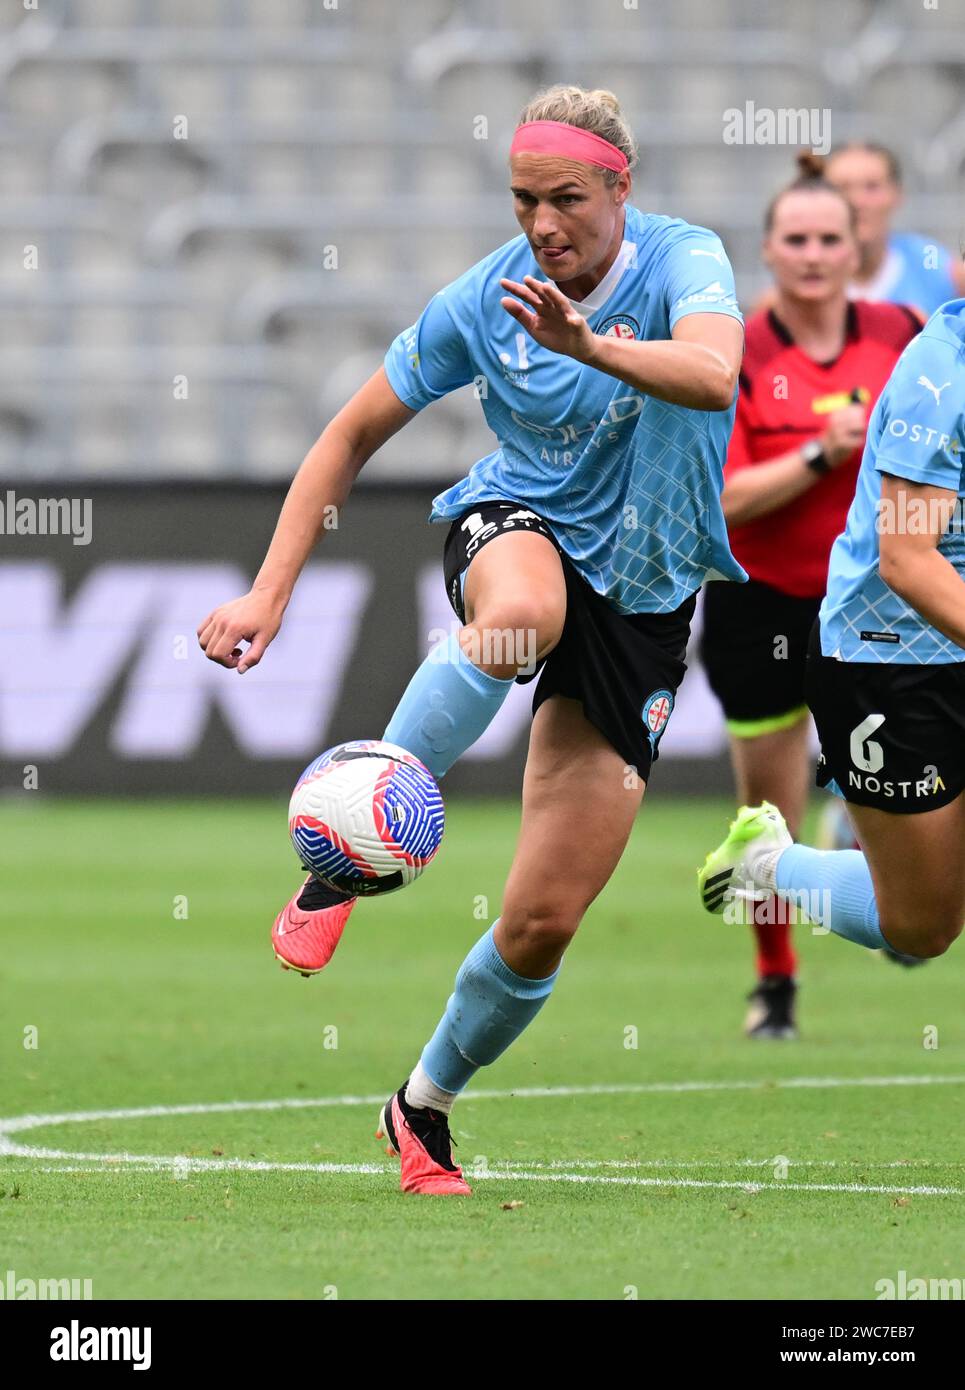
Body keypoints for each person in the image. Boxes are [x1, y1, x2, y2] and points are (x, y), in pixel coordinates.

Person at [198, 85, 745, 1196]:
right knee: (520, 616)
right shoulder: (483, 301)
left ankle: (421, 1105)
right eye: (523, 199)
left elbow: (713, 372)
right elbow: (348, 432)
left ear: (619, 190)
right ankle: (345, 854)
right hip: (514, 528)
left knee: (543, 919)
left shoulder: (686, 259)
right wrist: (268, 592)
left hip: (642, 593)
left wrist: (590, 347)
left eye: (566, 198)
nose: (543, 223)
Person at [700, 154, 922, 1039]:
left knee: (913, 774)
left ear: (856, 243)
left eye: (830, 237)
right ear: (766, 251)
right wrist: (819, 454)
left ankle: (902, 900)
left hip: (872, 601)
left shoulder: (904, 331)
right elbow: (718, 501)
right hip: (762, 605)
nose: (814, 253)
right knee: (766, 817)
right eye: (795, 239)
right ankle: (775, 984)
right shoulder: (736, 352)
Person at [699, 295, 965, 977]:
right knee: (919, 927)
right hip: (891, 657)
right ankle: (766, 859)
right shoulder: (939, 375)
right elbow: (905, 558)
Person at [825, 143, 965, 316]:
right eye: (842, 188)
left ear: (897, 194)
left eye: (872, 187)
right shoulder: (804, 274)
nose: (857, 201)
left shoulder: (937, 268)